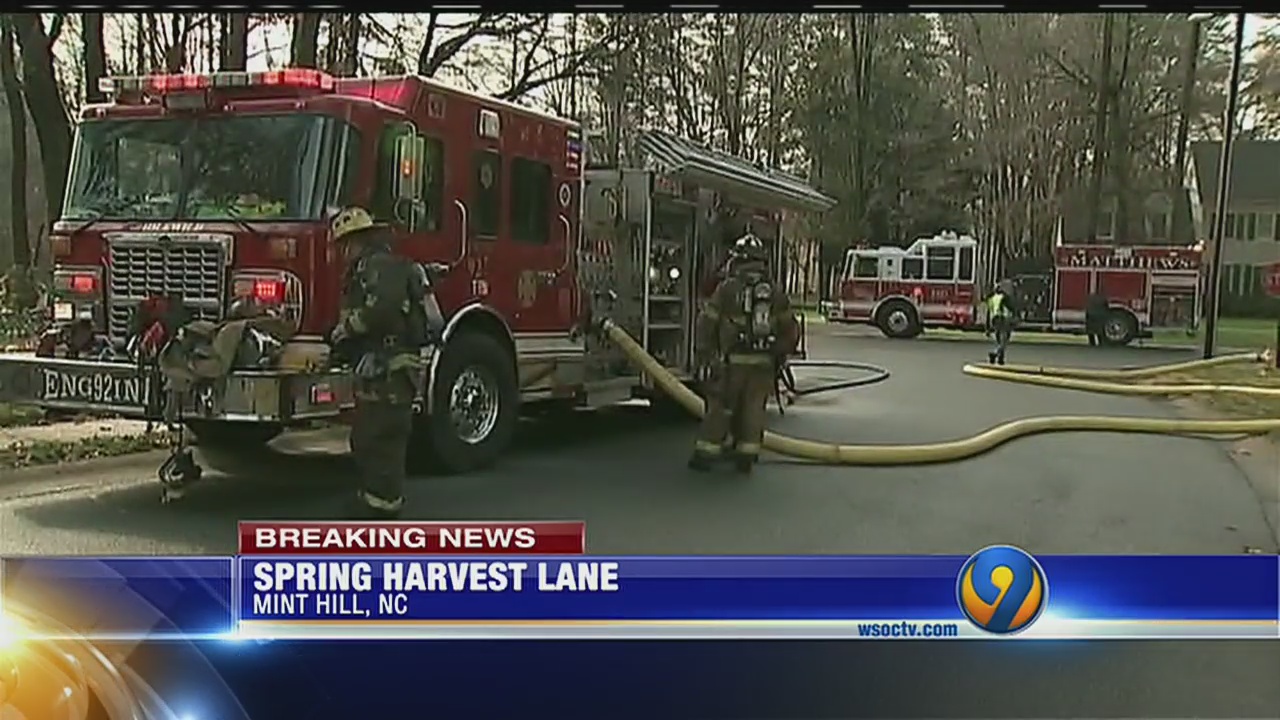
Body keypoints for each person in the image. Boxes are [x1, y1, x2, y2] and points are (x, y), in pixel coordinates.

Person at [328, 206, 438, 519]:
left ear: (358, 240)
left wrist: (345, 330)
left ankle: (382, 504)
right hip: (381, 364)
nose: (343, 252)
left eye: (345, 245)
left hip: (392, 366)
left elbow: (383, 311)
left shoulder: (381, 266)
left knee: (380, 434)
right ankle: (375, 497)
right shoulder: (370, 267)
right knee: (369, 434)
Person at [688, 233, 797, 474]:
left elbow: (707, 322)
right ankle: (746, 456)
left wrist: (704, 354)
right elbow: (790, 329)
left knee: (721, 408)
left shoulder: (727, 289)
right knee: (753, 410)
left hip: (732, 363)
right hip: (763, 365)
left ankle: (705, 455)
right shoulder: (775, 292)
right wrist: (778, 354)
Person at [985, 279, 1020, 365]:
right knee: (1004, 340)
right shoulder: (1004, 297)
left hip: (994, 320)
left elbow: (989, 313)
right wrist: (1016, 317)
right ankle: (995, 354)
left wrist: (987, 328)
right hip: (1003, 319)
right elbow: (1011, 308)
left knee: (999, 340)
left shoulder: (991, 298)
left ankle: (1001, 358)